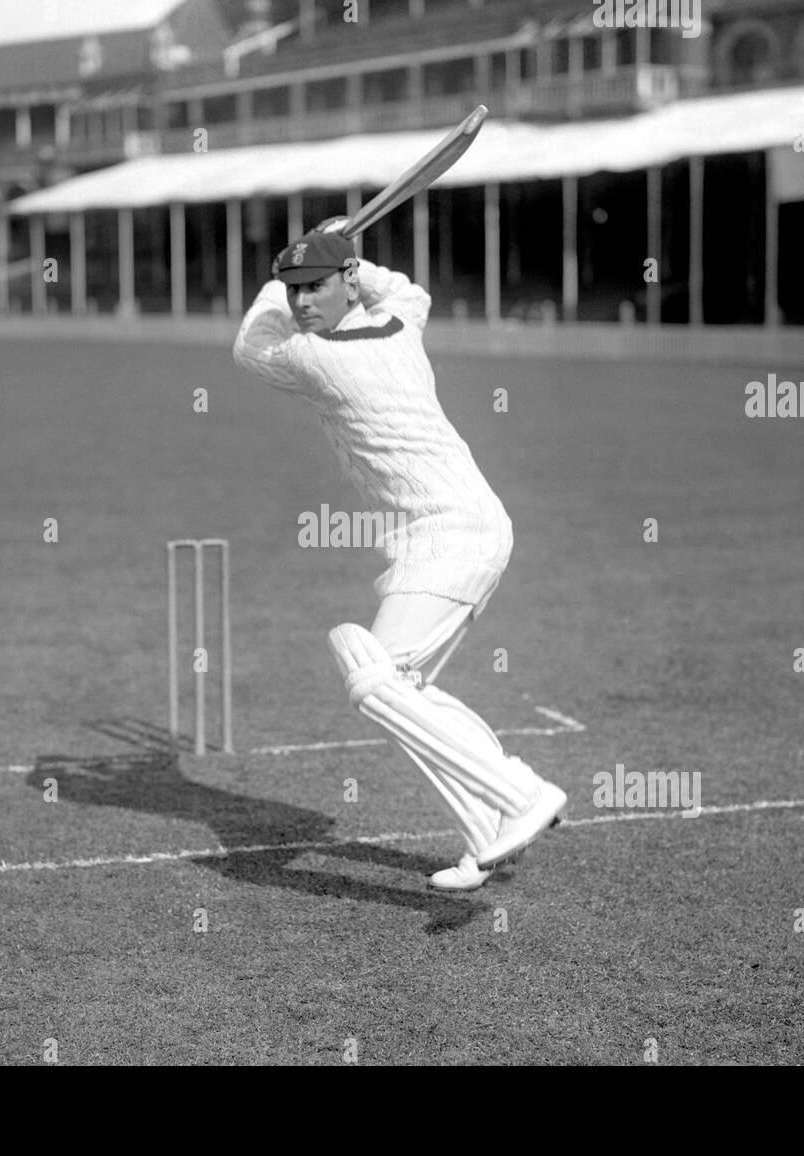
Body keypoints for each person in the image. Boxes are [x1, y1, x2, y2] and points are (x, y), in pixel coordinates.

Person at [232, 219, 566, 890]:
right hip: (459, 527)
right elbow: (409, 291)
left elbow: (249, 345)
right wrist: (349, 258)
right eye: (292, 288)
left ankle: (518, 792)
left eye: (313, 286)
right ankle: (487, 832)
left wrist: (286, 278)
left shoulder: (317, 358)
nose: (299, 302)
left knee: (370, 672)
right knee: (404, 690)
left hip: (451, 534)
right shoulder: (401, 324)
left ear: (348, 281)